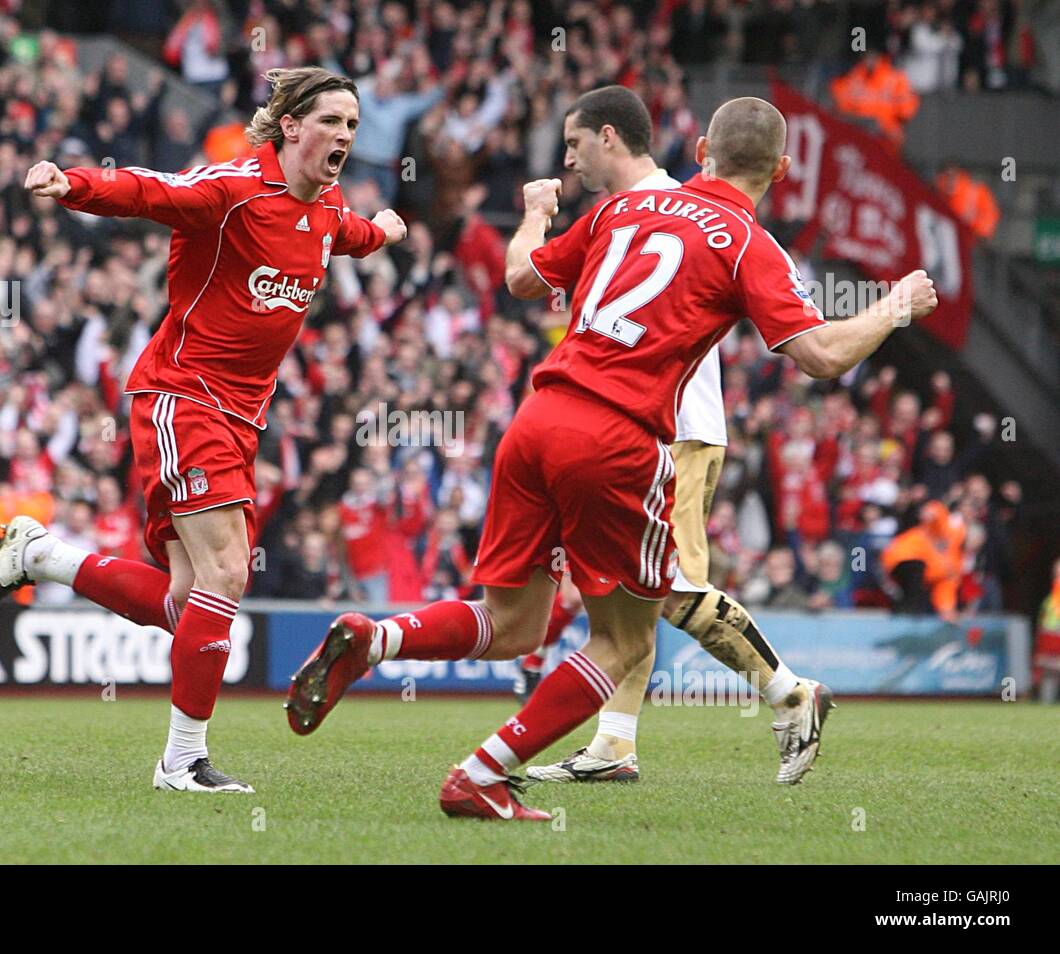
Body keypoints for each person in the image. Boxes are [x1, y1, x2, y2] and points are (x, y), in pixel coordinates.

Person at [285, 92, 938, 820]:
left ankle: (376, 638)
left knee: (514, 624)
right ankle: (481, 773)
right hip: (620, 437)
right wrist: (897, 305)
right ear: (781, 169)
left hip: (536, 418)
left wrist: (535, 213)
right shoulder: (749, 243)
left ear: (700, 154)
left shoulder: (621, 209)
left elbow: (525, 277)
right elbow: (818, 356)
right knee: (623, 640)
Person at [0, 67, 406, 794]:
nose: (346, 138)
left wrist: (382, 232)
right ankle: (181, 763)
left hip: (239, 419)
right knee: (229, 574)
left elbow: (350, 234)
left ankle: (43, 557)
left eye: (354, 126)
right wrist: (73, 184)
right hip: (183, 395)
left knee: (186, 602)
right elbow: (149, 190)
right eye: (333, 121)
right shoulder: (235, 190)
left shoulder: (326, 208)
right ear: (293, 126)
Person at [502, 86, 831, 788]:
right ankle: (615, 744)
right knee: (623, 590)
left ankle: (792, 693)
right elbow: (528, 284)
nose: (567, 160)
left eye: (575, 144)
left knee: (671, 585)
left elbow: (812, 349)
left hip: (677, 427)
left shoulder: (661, 209)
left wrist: (534, 215)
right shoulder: (653, 209)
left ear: (611, 140)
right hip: (628, 423)